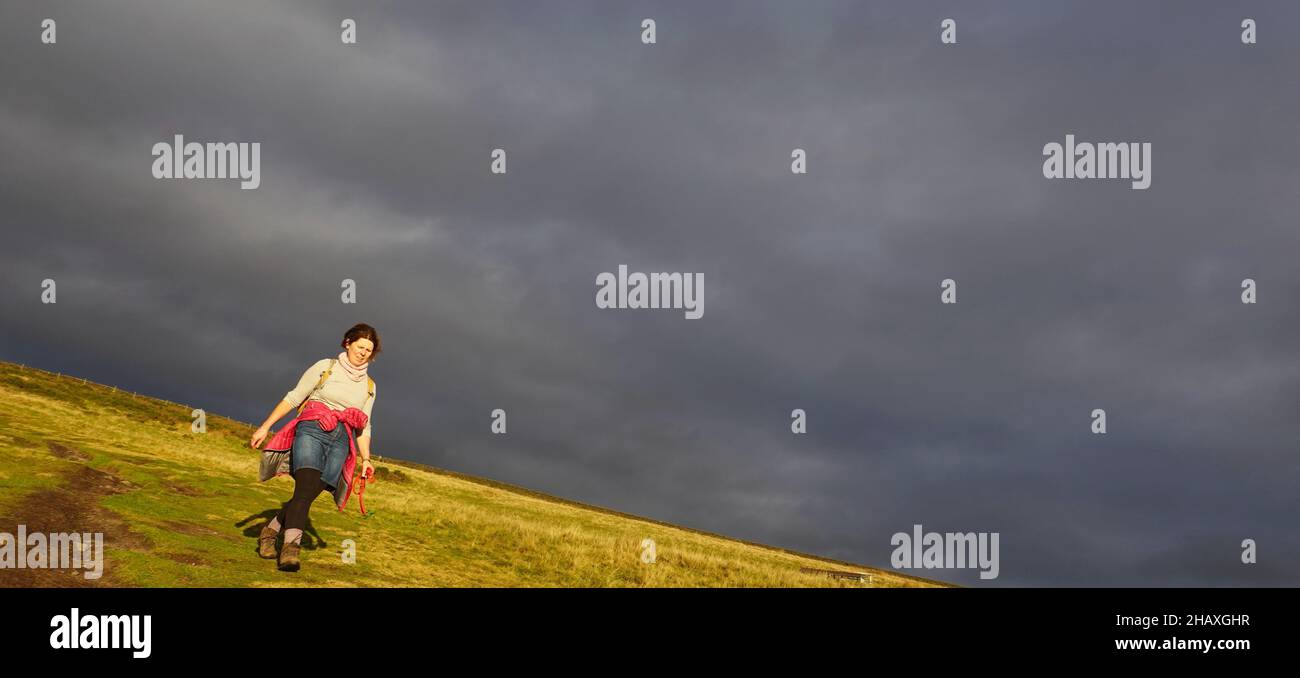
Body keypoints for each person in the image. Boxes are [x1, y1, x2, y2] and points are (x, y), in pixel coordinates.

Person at [249, 323, 380, 571]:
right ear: (348, 343)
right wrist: (265, 427)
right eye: (360, 346)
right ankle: (290, 551)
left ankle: (271, 529)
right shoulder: (325, 367)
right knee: (306, 484)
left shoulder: (370, 387)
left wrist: (366, 460)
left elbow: (365, 426)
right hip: (313, 428)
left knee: (309, 493)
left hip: (342, 439)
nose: (363, 352)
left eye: (369, 350)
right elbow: (294, 396)